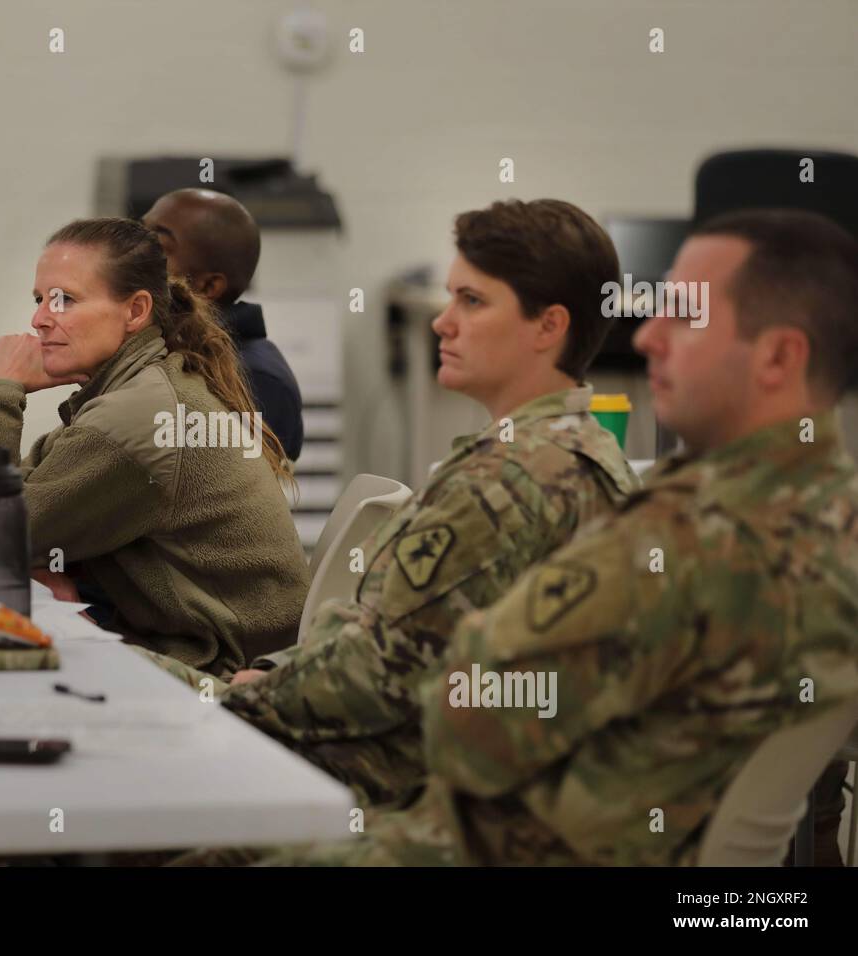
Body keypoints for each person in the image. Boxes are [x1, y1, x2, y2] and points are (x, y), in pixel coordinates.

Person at [210, 207, 858, 866]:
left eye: (685, 317)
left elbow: (467, 728)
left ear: (780, 354)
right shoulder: (828, 520)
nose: (646, 339)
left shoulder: (691, 536)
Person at [145, 199, 640, 809]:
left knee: (124, 707)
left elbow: (382, 676)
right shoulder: (583, 448)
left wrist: (253, 693)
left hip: (380, 783)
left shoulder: (507, 479)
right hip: (391, 750)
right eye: (451, 297)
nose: (442, 322)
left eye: (473, 302)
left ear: (549, 326)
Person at [0, 217, 309, 674]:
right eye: (39, 300)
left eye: (65, 300)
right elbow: (11, 509)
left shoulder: (135, 414)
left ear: (135, 311)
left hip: (219, 675)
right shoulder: (144, 385)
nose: (39, 319)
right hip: (206, 648)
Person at [143, 189, 304, 461]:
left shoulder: (255, 377)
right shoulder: (169, 349)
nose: (133, 252)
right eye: (138, 233)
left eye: (156, 244)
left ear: (208, 286)